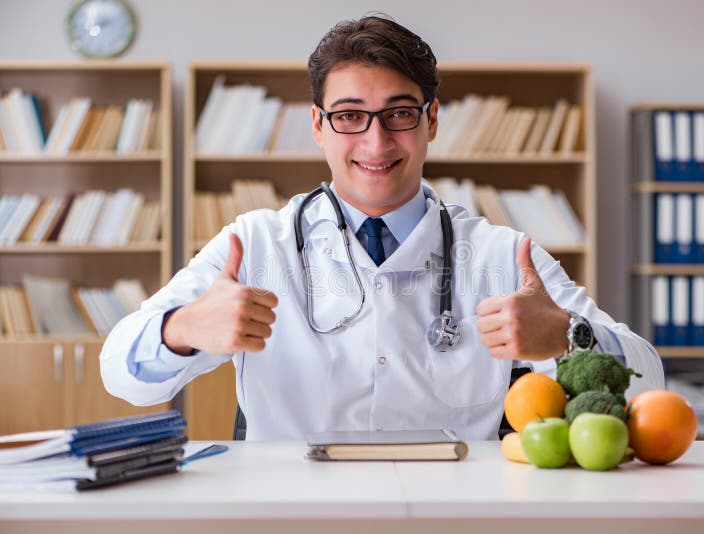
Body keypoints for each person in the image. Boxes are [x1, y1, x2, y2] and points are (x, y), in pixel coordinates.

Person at [100, 15, 664, 440]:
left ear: (431, 120)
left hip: (451, 516)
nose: (375, 142)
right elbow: (121, 376)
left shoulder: (502, 257)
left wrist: (569, 336)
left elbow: (649, 381)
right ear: (318, 126)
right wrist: (183, 327)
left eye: (399, 113)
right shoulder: (256, 245)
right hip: (293, 515)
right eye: (349, 116)